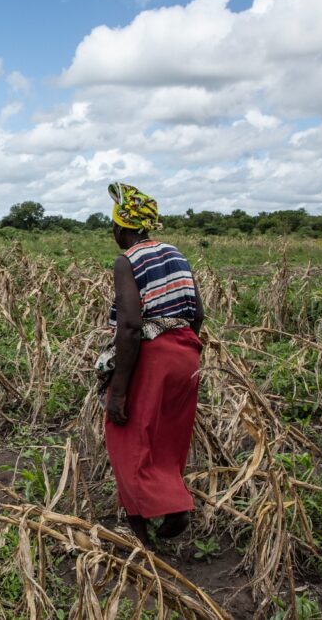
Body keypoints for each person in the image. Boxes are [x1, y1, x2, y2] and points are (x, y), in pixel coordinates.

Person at [101, 182, 204, 545]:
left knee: (125, 435)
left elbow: (129, 327)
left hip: (155, 356)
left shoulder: (127, 261)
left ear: (120, 226)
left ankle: (141, 530)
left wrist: (118, 391)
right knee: (167, 437)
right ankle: (173, 506)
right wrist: (184, 353)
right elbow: (198, 313)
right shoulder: (176, 254)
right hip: (187, 354)